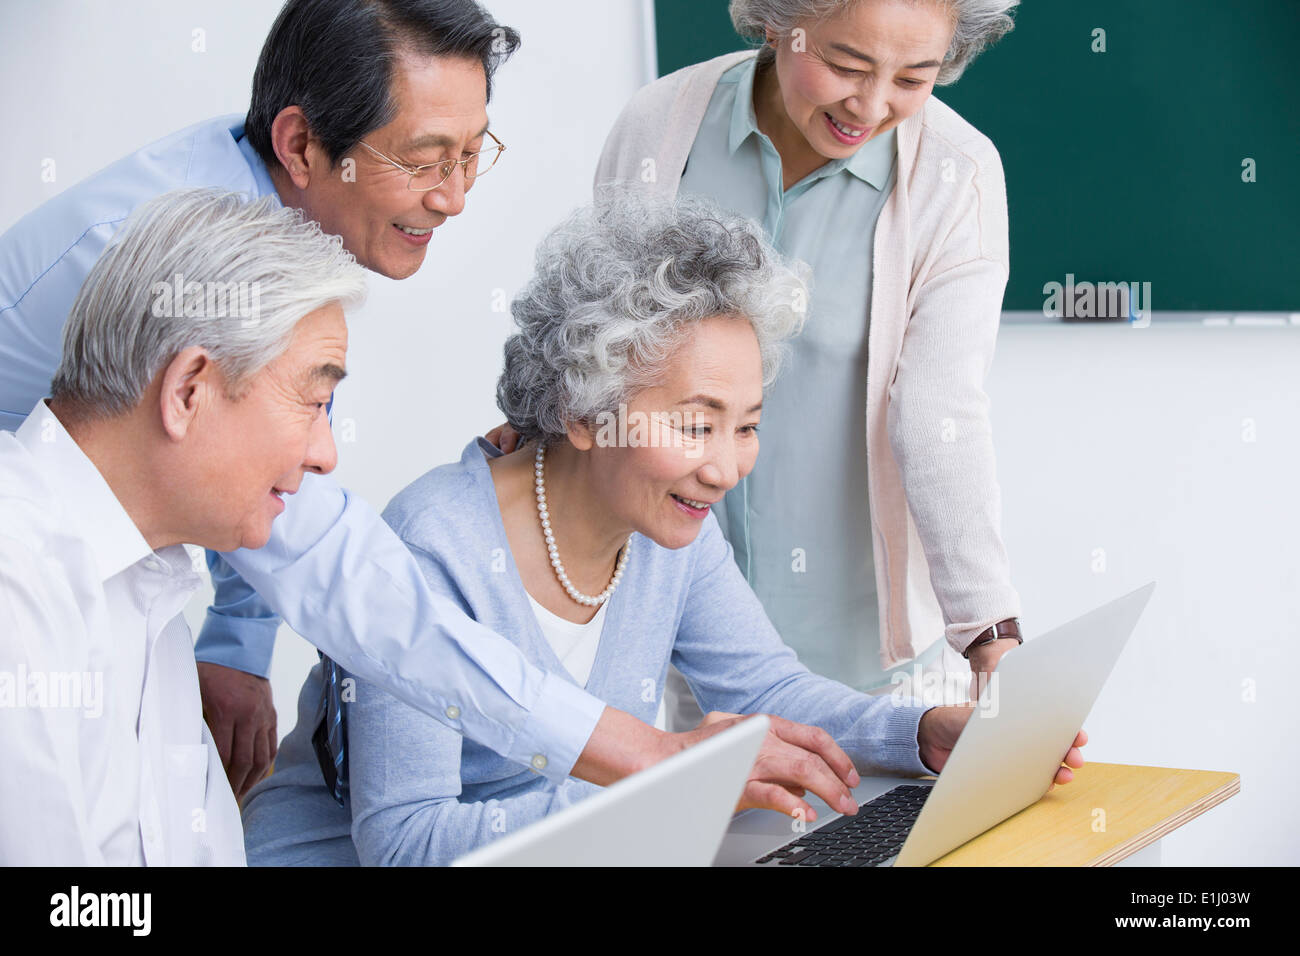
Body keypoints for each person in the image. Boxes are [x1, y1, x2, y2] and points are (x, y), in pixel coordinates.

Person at [0, 0, 853, 809]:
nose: (453, 195)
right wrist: (642, 756)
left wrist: (234, 645)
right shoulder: (164, 266)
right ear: (301, 144)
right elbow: (352, 583)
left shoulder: (279, 234)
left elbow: (267, 469)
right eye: (422, 158)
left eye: (473, 153)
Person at [241, 193, 1084, 866]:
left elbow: (766, 694)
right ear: (581, 409)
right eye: (694, 423)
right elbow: (406, 843)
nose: (723, 467)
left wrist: (921, 732)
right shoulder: (434, 542)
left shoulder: (666, 523)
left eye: (746, 424)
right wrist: (668, 786)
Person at [584, 0, 1030, 729]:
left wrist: (990, 635)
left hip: (873, 664)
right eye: (845, 66)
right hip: (680, 640)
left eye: (915, 77)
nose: (873, 104)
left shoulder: (957, 175)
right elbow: (596, 345)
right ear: (775, 20)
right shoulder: (660, 127)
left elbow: (939, 412)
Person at [0, 188, 365, 864]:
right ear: (188, 390)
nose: (325, 454)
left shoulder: (151, 586)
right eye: (313, 403)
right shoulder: (15, 575)